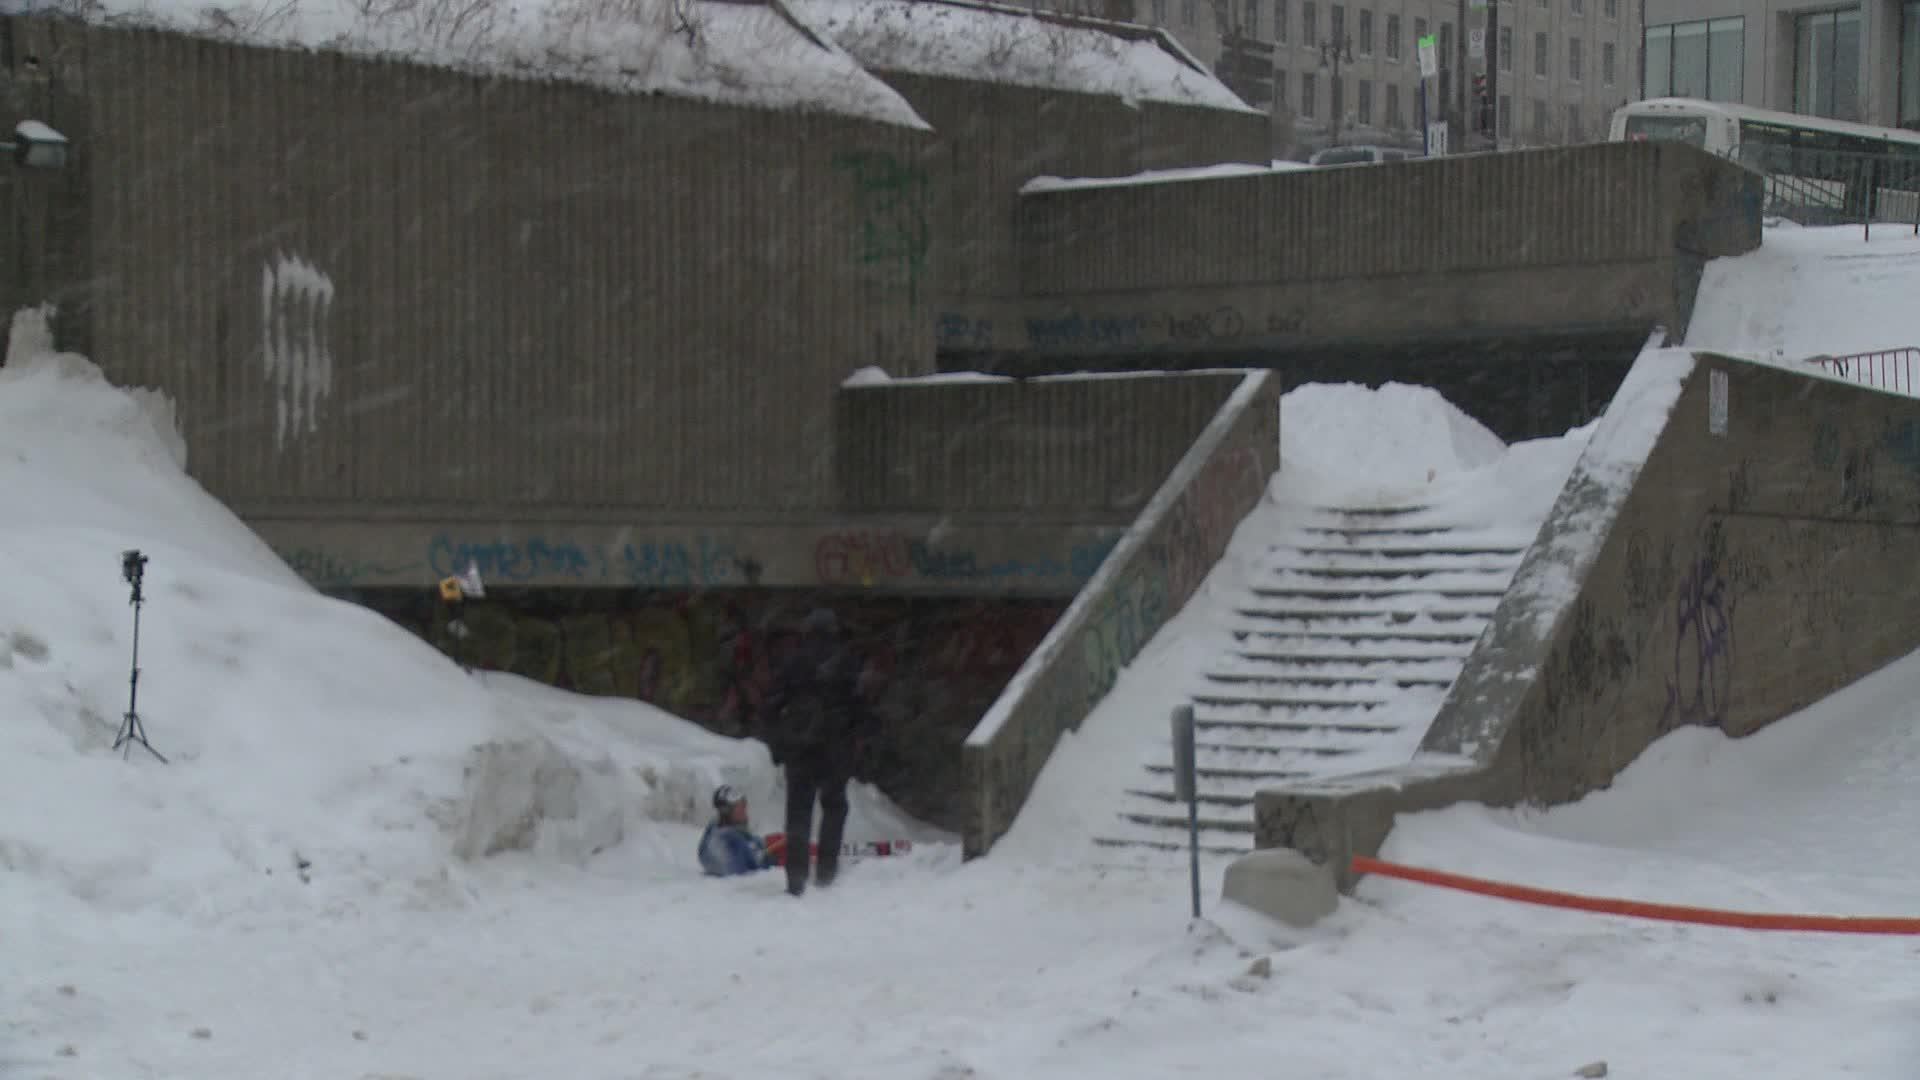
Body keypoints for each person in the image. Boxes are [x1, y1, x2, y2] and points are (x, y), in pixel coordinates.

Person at [760, 606, 868, 896]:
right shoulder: (847, 664)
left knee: (798, 812)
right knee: (834, 807)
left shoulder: (793, 663)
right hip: (835, 750)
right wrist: (856, 745)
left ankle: (796, 879)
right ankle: (826, 872)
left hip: (800, 751)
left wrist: (779, 744)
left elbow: (770, 706)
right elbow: (861, 709)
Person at [698, 785, 785, 877]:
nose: (745, 810)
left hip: (754, 849)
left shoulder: (714, 828)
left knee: (781, 839)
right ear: (726, 811)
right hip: (755, 858)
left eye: (744, 805)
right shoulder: (733, 840)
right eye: (740, 807)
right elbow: (750, 866)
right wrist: (774, 860)